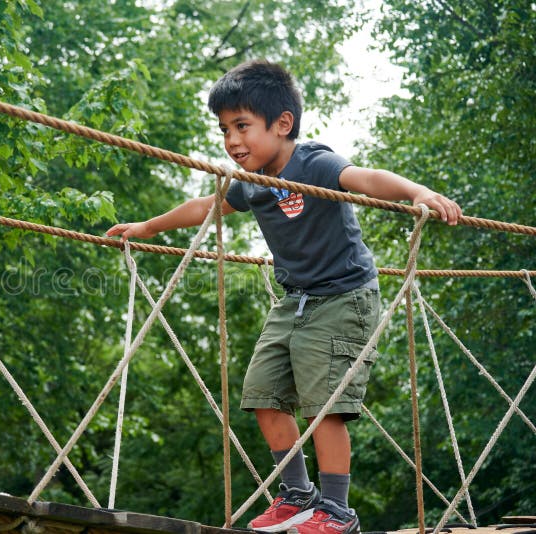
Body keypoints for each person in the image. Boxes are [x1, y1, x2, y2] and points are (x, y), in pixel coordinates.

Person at [106, 60, 461, 534]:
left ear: (282, 124)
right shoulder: (251, 184)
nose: (231, 141)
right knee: (262, 394)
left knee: (324, 406)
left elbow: (366, 179)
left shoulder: (312, 163)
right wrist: (146, 227)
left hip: (344, 298)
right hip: (293, 301)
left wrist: (418, 192)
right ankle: (297, 495)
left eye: (242, 127)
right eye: (224, 129)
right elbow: (206, 207)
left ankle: (336, 511)